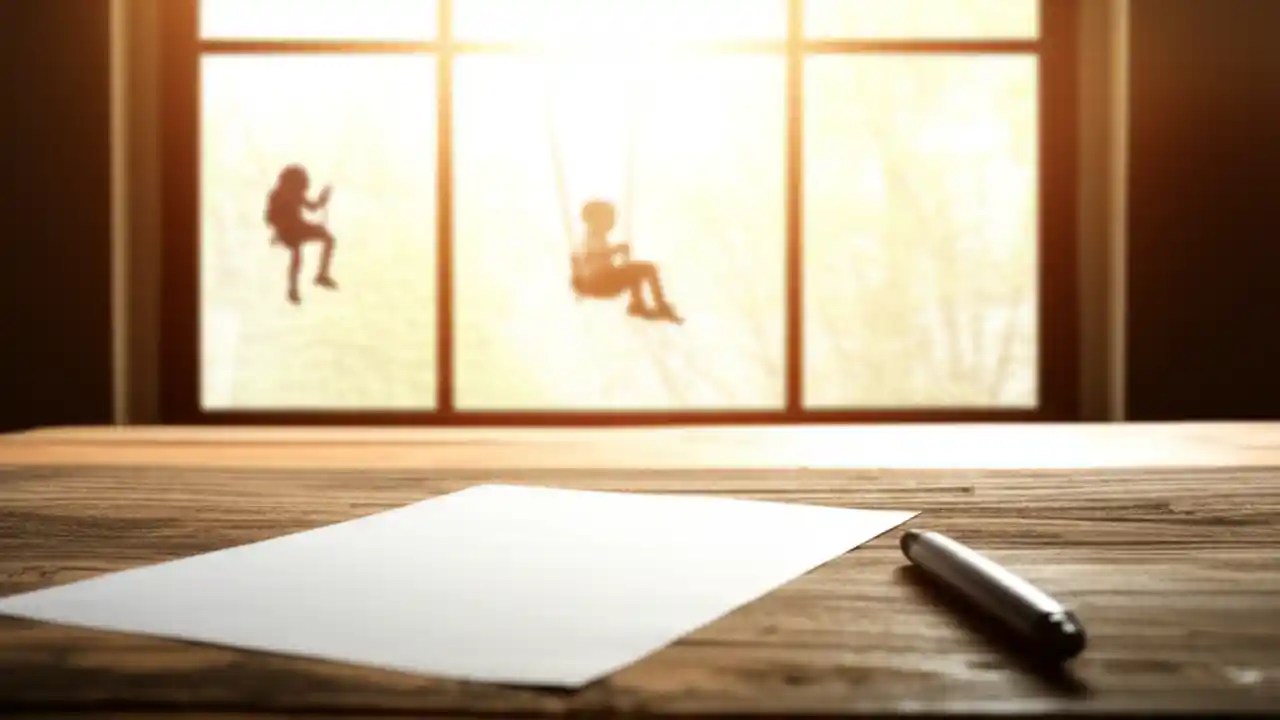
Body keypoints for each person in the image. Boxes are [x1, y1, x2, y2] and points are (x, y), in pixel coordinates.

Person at [574, 199, 679, 322]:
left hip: (602, 281)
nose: (612, 223)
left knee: (634, 271)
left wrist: (618, 251)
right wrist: (616, 249)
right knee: (649, 268)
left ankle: (637, 304)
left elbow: (602, 255)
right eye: (609, 219)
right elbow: (596, 254)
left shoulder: (597, 237)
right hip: (597, 283)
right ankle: (660, 305)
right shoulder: (591, 237)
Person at [265, 164, 338, 305]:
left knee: (327, 238)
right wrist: (278, 230)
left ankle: (322, 274)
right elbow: (270, 217)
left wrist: (323, 198)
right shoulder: (277, 195)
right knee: (296, 256)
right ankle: (293, 289)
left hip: (298, 227)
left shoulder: (295, 193)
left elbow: (312, 207)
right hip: (287, 231)